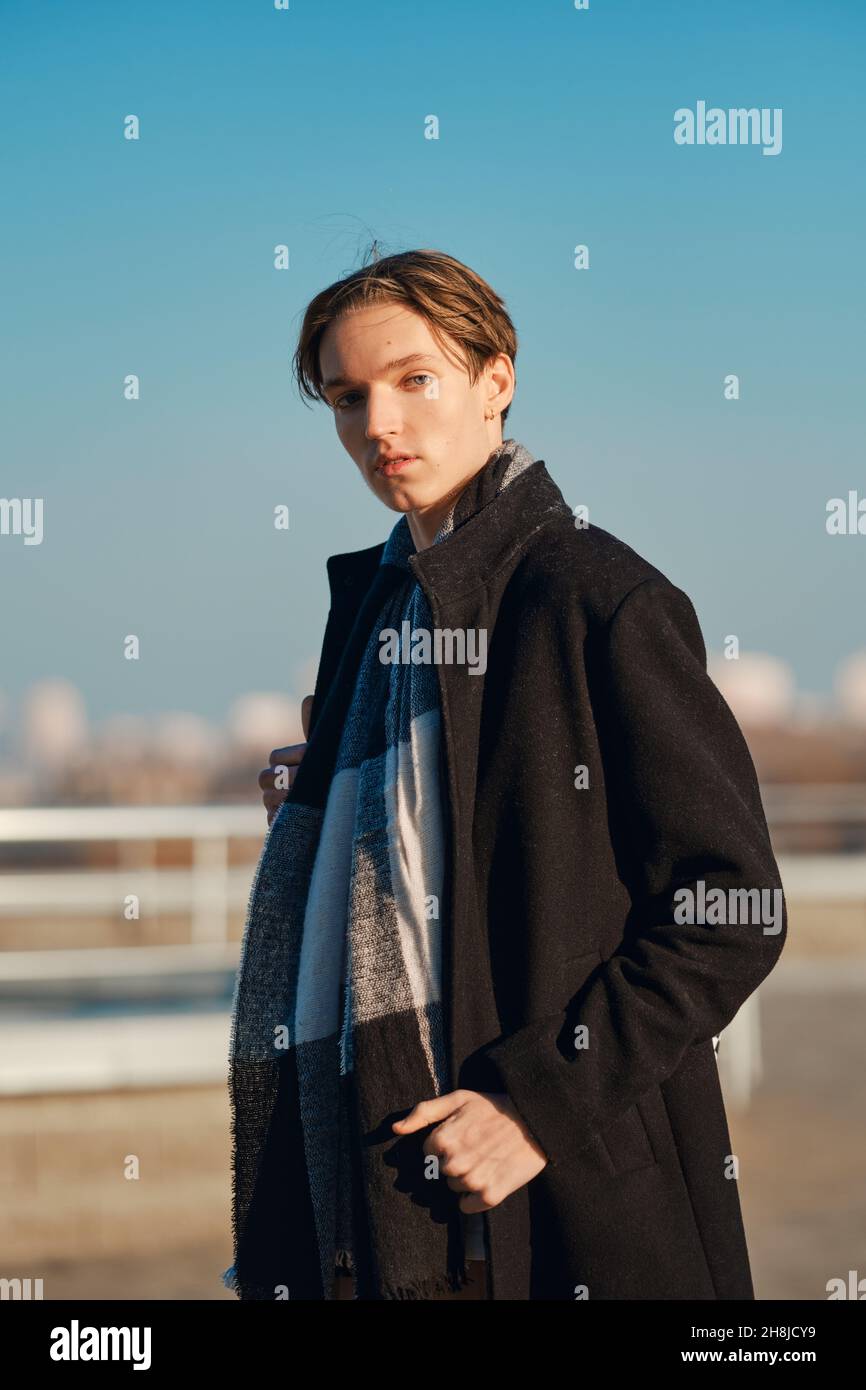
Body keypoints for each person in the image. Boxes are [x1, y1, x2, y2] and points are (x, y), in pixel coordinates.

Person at [224, 248, 786, 1301]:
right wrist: (338, 805)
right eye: (347, 398)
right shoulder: (380, 610)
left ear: (496, 379)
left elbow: (729, 909)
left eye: (413, 379)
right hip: (389, 1176)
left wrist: (535, 1103)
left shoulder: (596, 599)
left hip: (568, 1189)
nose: (377, 426)